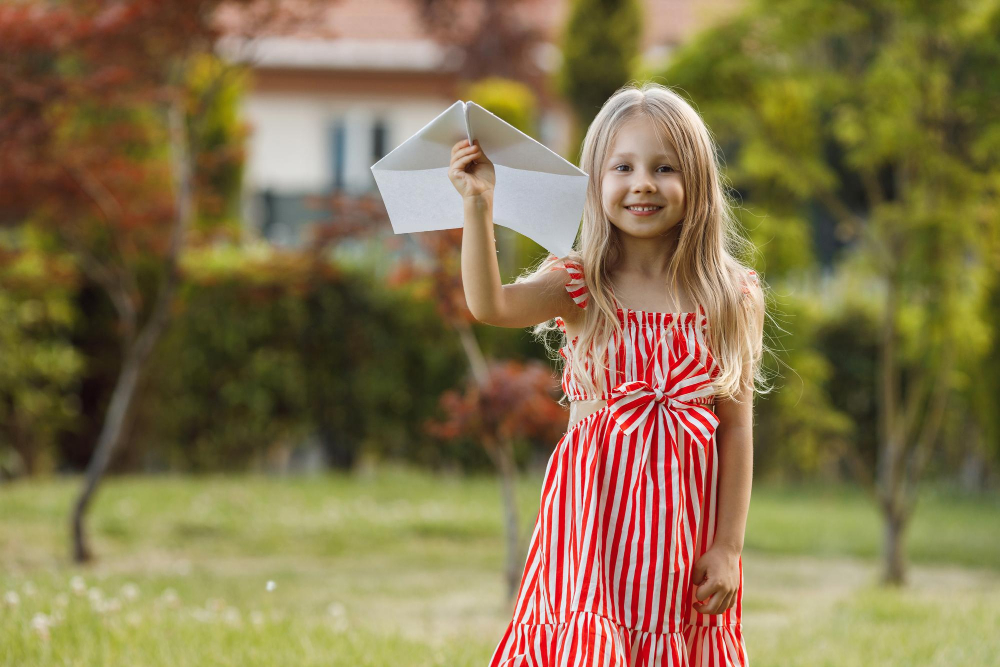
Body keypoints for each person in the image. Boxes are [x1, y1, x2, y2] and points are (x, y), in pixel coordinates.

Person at [449, 81, 768, 667]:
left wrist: (728, 547)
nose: (642, 182)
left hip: (681, 536)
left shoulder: (731, 295)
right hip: (593, 529)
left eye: (664, 167)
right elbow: (490, 306)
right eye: (623, 166)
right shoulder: (581, 284)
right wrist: (478, 207)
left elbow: (736, 429)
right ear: (596, 181)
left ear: (696, 181)